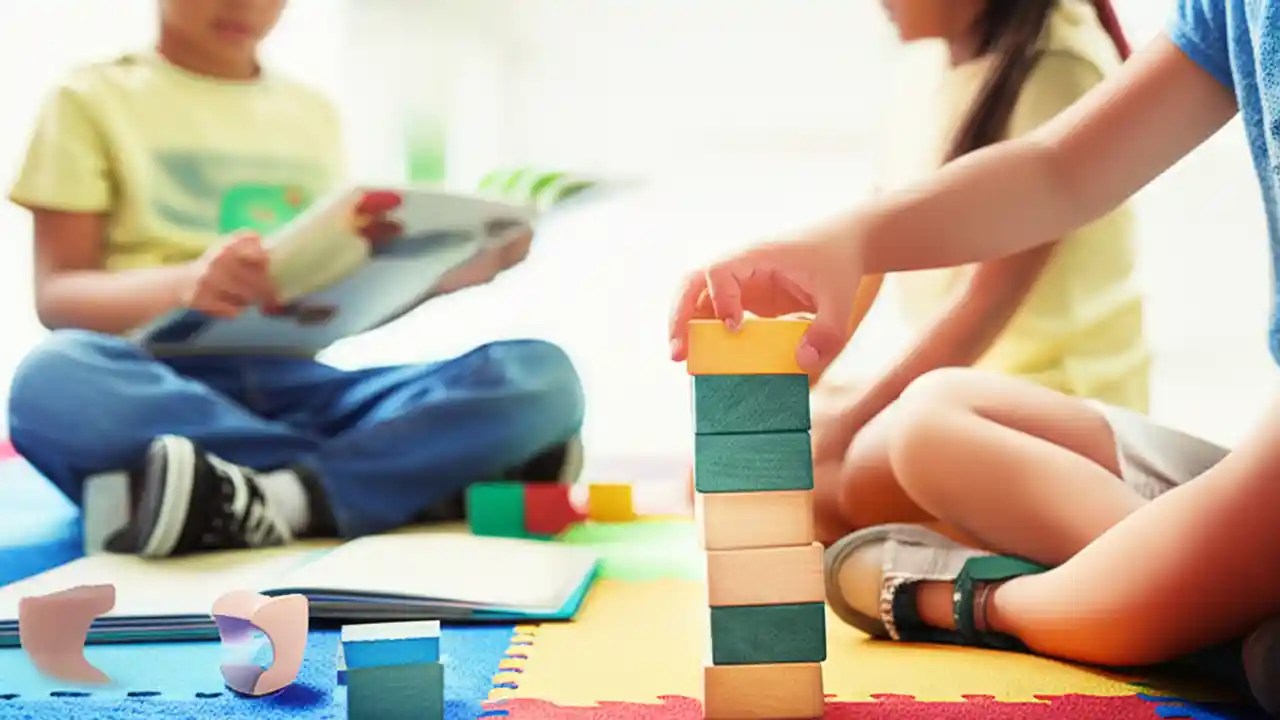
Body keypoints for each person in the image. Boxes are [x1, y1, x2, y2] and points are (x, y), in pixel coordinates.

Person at [668, 0, 1280, 713]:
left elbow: (987, 297)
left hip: (1077, 393)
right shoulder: (1231, 9)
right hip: (1207, 467)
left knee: (864, 459)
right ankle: (1201, 610)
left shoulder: (1058, 63)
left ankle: (989, 599)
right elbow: (1057, 171)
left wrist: (955, 597)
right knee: (925, 417)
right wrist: (847, 242)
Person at [6, 0, 585, 558]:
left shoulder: (312, 113)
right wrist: (188, 284)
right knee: (51, 381)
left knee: (540, 374)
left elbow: (326, 298)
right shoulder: (88, 98)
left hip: (300, 385)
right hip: (155, 383)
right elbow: (59, 295)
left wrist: (438, 278)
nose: (249, 5)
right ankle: (403, 477)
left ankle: (275, 496)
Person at [808, 0, 1148, 544]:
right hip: (957, 393)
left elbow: (982, 305)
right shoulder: (923, 68)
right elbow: (867, 261)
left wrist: (840, 435)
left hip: (1055, 404)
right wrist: (782, 406)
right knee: (787, 464)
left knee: (840, 473)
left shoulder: (1061, 67)